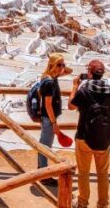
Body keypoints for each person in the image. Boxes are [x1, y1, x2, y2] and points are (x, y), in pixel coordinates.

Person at [69, 60, 110, 208]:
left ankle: (82, 203)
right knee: (103, 173)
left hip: (84, 137)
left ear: (90, 72)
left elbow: (71, 105)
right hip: (104, 138)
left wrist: (75, 85)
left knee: (83, 172)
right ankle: (103, 204)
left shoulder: (84, 90)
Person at [29, 53, 72, 186]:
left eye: (62, 65)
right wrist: (54, 123)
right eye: (59, 65)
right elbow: (47, 104)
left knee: (45, 145)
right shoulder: (49, 82)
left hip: (48, 119)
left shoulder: (51, 77)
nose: (62, 68)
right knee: (45, 146)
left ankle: (42, 170)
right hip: (49, 119)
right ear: (52, 65)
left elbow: (70, 71)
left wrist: (60, 64)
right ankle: (44, 175)